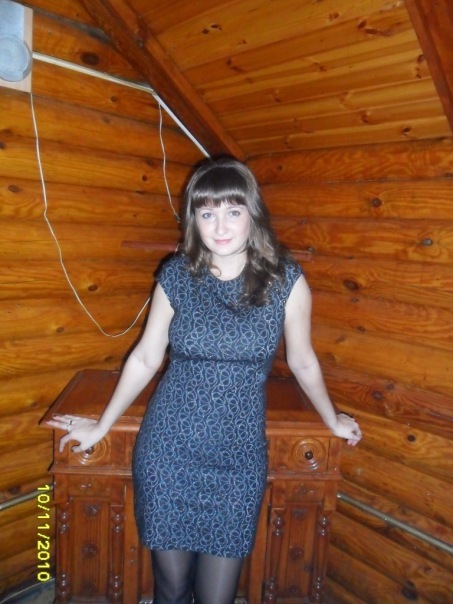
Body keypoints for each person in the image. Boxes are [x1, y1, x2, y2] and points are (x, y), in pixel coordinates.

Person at [46, 157, 362, 604]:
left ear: (252, 214)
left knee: (218, 596)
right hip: (168, 452)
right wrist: (102, 425)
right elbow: (146, 357)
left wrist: (331, 419)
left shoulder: (285, 280)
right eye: (207, 212)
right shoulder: (177, 275)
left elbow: (303, 361)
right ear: (193, 218)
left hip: (238, 458)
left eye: (233, 211)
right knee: (171, 590)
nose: (220, 226)